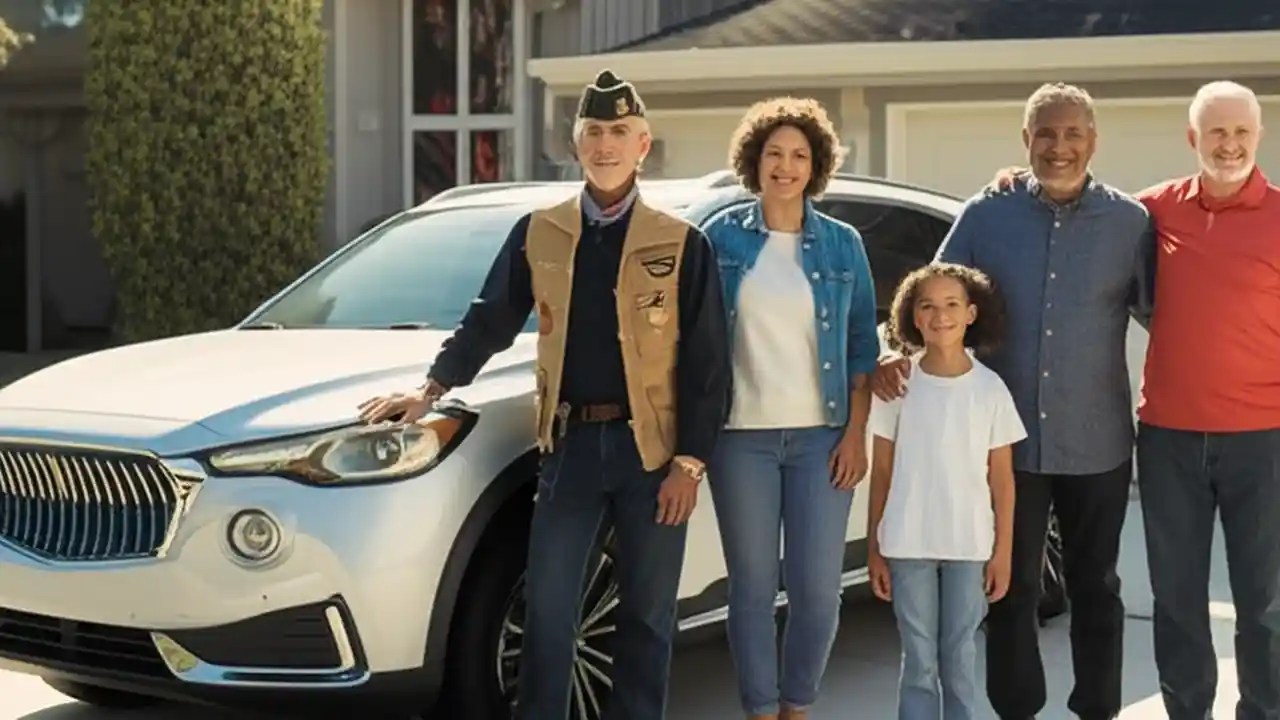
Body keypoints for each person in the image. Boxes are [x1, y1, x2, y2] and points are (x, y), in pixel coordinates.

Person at [357, 69, 731, 720]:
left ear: (643, 145)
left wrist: (690, 462)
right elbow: (489, 318)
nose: (605, 145)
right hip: (572, 448)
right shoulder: (541, 232)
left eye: (620, 132)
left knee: (647, 617)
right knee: (550, 615)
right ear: (576, 143)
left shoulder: (680, 242)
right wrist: (431, 387)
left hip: (654, 456)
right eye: (593, 132)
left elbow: (707, 362)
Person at [872, 82, 1154, 720]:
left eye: (1072, 133)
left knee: (1096, 587)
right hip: (1007, 447)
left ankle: (1097, 709)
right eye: (1046, 134)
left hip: (1098, 438)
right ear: (1026, 141)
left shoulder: (1130, 222)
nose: (1059, 147)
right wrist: (893, 349)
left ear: (1093, 140)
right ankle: (1017, 710)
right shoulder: (986, 214)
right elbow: (928, 296)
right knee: (1012, 588)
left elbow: (1164, 316)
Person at [702, 96, 879, 720]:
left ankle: (797, 706)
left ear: (816, 165)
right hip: (739, 440)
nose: (785, 165)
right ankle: (759, 709)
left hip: (822, 440)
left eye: (799, 154)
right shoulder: (718, 237)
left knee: (817, 593)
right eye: (774, 153)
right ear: (754, 159)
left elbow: (863, 345)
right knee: (750, 590)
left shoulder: (841, 244)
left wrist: (856, 434)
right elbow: (690, 343)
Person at [1132, 80, 1280, 720]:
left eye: (1241, 132)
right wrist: (1015, 180)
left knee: (1266, 602)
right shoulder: (1153, 209)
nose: (1230, 144)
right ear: (1194, 138)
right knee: (1177, 600)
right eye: (1216, 132)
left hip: (1264, 440)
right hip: (1168, 439)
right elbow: (1079, 212)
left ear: (1259, 137)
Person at [867, 262, 1022, 720]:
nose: (941, 316)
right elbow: (882, 471)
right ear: (913, 317)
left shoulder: (990, 389)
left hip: (969, 544)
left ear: (971, 313)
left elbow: (1003, 480)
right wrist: (876, 547)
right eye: (927, 306)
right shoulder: (896, 386)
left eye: (952, 304)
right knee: (918, 660)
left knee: (958, 658)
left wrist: (1003, 553)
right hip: (907, 543)